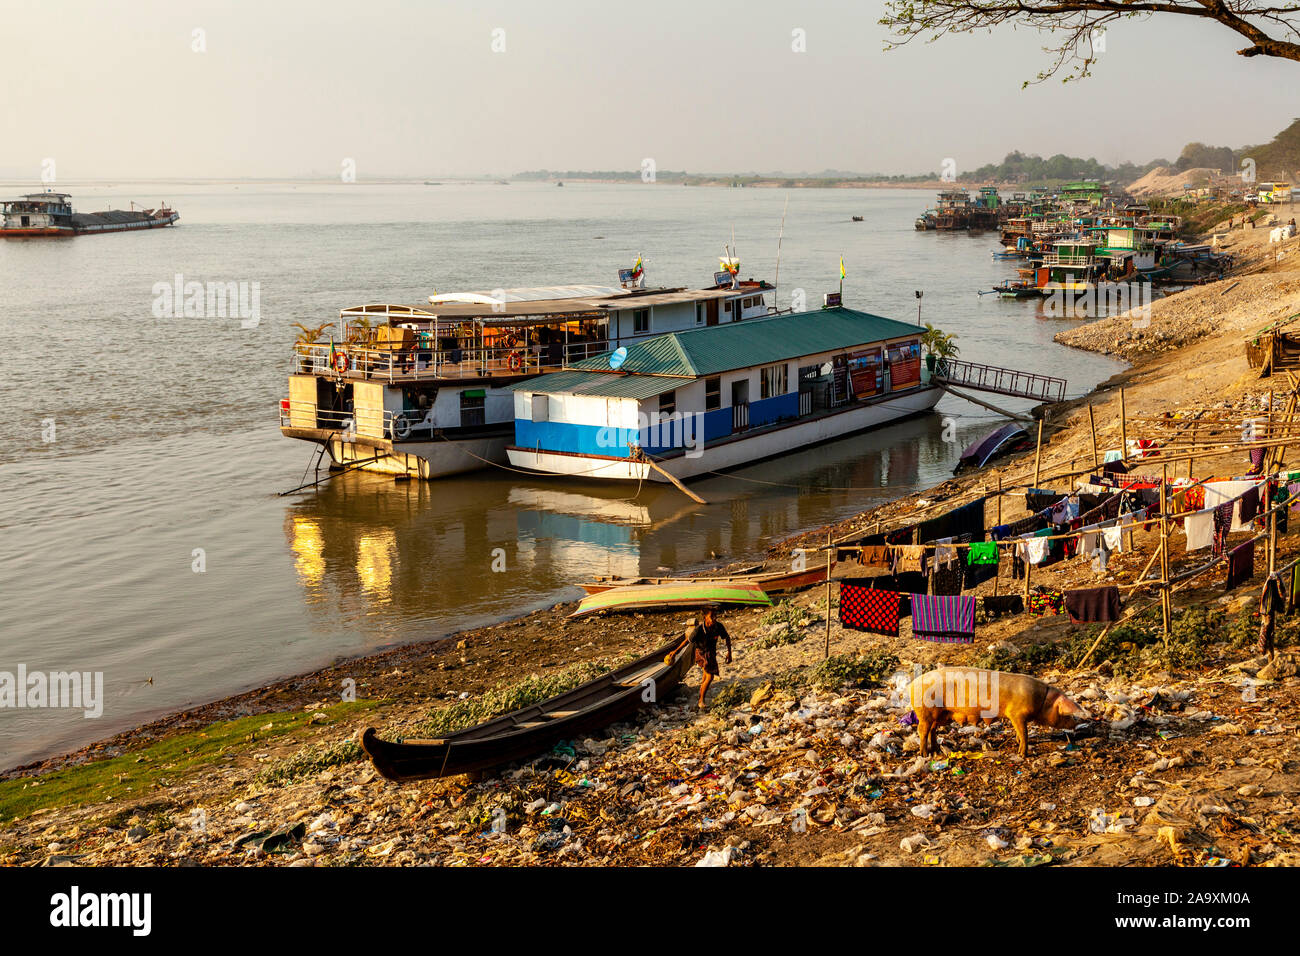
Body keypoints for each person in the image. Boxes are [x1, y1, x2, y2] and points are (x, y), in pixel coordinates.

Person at [667, 606, 732, 708]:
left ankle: (701, 694)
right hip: (700, 653)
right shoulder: (699, 630)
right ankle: (701, 700)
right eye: (712, 616)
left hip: (711, 653)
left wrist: (729, 653)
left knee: (706, 676)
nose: (714, 618)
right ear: (705, 617)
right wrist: (675, 651)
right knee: (710, 676)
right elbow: (687, 641)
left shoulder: (718, 626)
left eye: (715, 616)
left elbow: (727, 637)